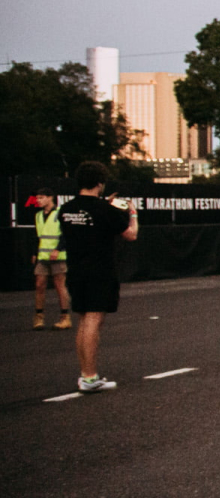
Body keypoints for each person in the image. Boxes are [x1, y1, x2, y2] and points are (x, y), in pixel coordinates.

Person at [58, 161, 138, 393]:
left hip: (75, 270)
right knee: (93, 319)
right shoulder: (105, 210)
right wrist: (131, 213)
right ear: (100, 183)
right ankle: (90, 377)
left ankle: (86, 374)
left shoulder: (67, 209)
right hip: (99, 271)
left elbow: (86, 218)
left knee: (84, 319)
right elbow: (131, 234)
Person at [31, 188, 72, 330]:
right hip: (43, 256)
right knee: (39, 285)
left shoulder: (60, 213)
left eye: (41, 197)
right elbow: (38, 236)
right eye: (37, 198)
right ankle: (39, 318)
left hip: (58, 256)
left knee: (59, 286)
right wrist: (35, 252)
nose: (38, 200)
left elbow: (66, 234)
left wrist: (58, 249)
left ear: (50, 198)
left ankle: (65, 317)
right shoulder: (38, 216)